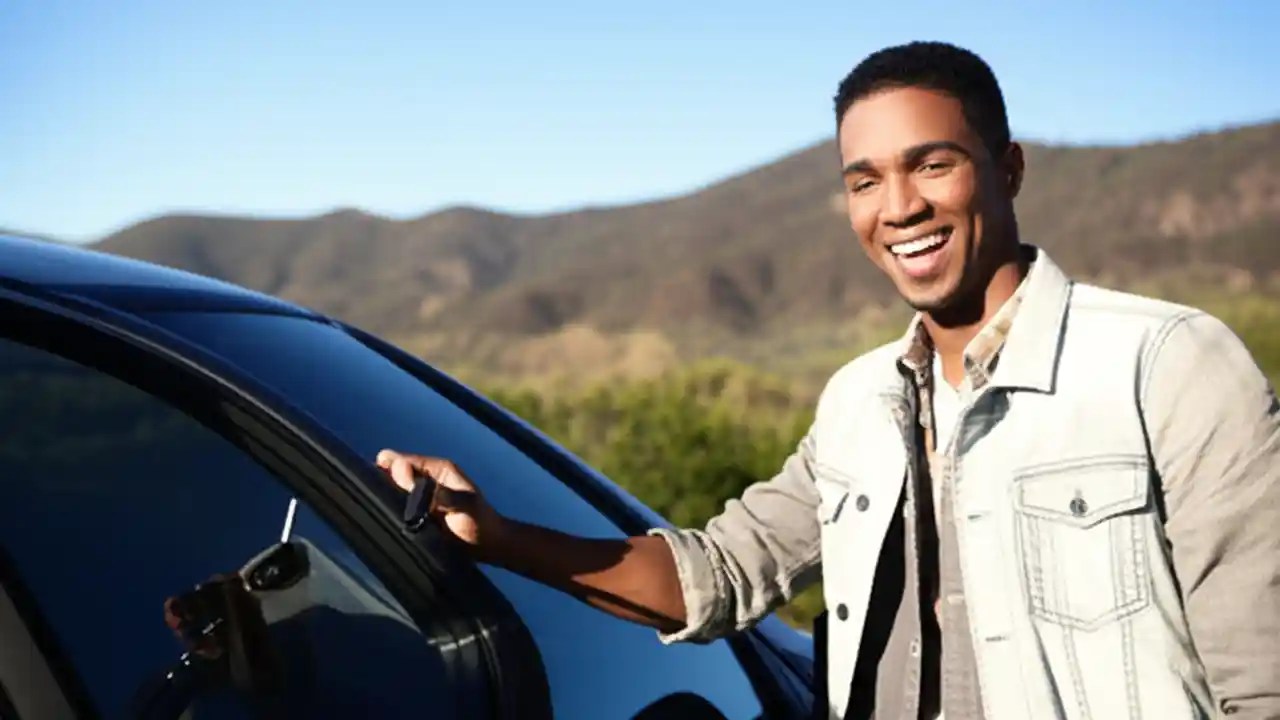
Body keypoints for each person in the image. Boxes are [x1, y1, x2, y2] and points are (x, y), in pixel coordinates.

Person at [376, 41, 1280, 720]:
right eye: (865, 180)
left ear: (1007, 169)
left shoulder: (1168, 367)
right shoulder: (860, 404)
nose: (900, 208)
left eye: (933, 164)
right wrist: (493, 534)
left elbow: (1262, 682)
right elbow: (716, 576)